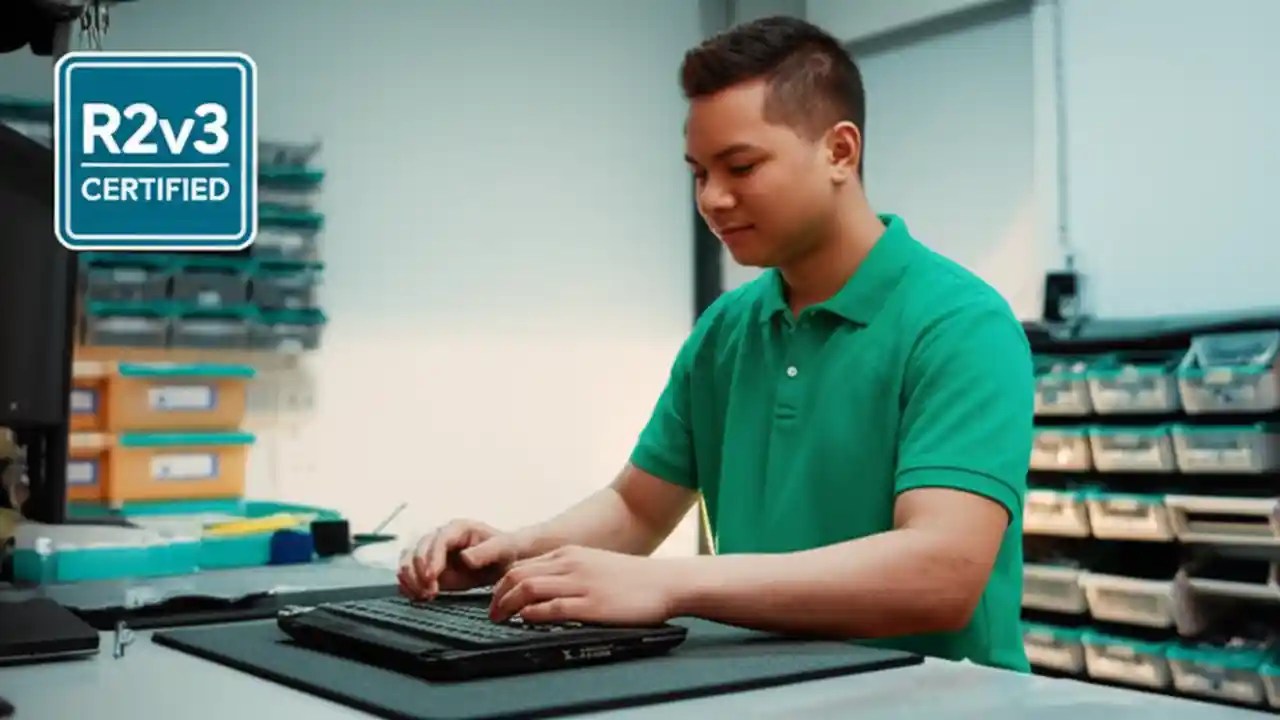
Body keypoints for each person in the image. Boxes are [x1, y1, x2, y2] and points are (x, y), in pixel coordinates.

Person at [398, 15, 1034, 673]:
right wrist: (516, 553)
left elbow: (940, 573)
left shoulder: (961, 326)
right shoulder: (727, 329)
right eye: (699, 173)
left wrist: (674, 583)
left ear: (840, 152)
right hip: (765, 688)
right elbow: (635, 508)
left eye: (741, 166)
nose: (712, 199)